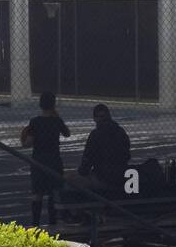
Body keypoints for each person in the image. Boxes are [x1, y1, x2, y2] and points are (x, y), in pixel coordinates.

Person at [22, 91, 70, 227]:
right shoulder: (57, 121)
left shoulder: (35, 122)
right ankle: (52, 224)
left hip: (39, 161)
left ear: (40, 104)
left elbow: (28, 143)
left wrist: (23, 138)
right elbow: (67, 133)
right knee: (52, 193)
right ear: (53, 105)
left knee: (37, 194)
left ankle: (35, 224)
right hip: (54, 160)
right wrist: (57, 116)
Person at [78, 103, 132, 195]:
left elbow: (87, 160)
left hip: (103, 177)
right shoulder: (121, 131)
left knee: (73, 181)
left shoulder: (95, 135)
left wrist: (82, 172)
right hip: (121, 174)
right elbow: (127, 155)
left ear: (95, 119)